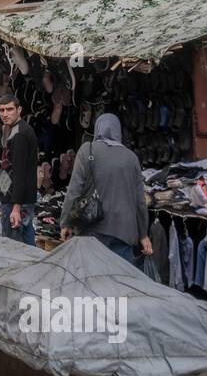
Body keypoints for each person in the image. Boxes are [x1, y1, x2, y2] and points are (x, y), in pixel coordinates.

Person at [60, 114, 152, 266]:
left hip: (92, 230)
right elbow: (140, 202)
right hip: (124, 232)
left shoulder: (87, 150)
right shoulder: (131, 158)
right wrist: (143, 235)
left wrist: (66, 223)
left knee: (93, 281)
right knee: (121, 283)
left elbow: (74, 191)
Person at [0, 93, 39, 245]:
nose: (5, 114)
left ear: (19, 110)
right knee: (26, 244)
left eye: (9, 109)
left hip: (15, 200)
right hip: (17, 198)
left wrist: (16, 206)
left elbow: (20, 172)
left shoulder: (20, 133)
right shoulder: (15, 130)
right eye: (1, 110)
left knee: (15, 247)